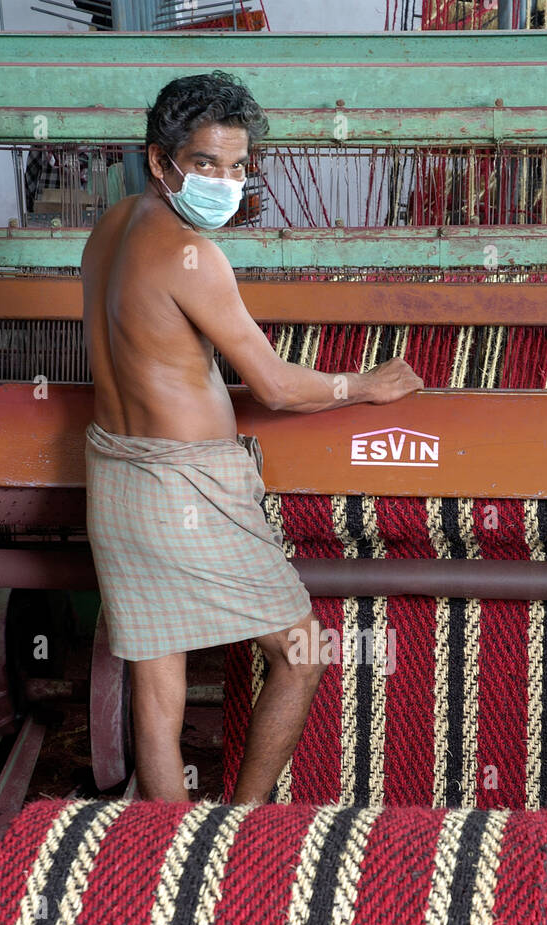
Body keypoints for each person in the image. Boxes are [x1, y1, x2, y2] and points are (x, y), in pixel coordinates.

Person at [81, 70, 422, 804]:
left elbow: (159, 363)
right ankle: (242, 827)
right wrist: (365, 385)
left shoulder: (109, 231)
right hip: (187, 490)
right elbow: (272, 386)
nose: (225, 182)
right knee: (302, 654)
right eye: (206, 164)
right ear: (159, 160)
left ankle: (171, 859)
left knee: (157, 677)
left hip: (114, 477)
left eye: (238, 167)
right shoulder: (193, 257)